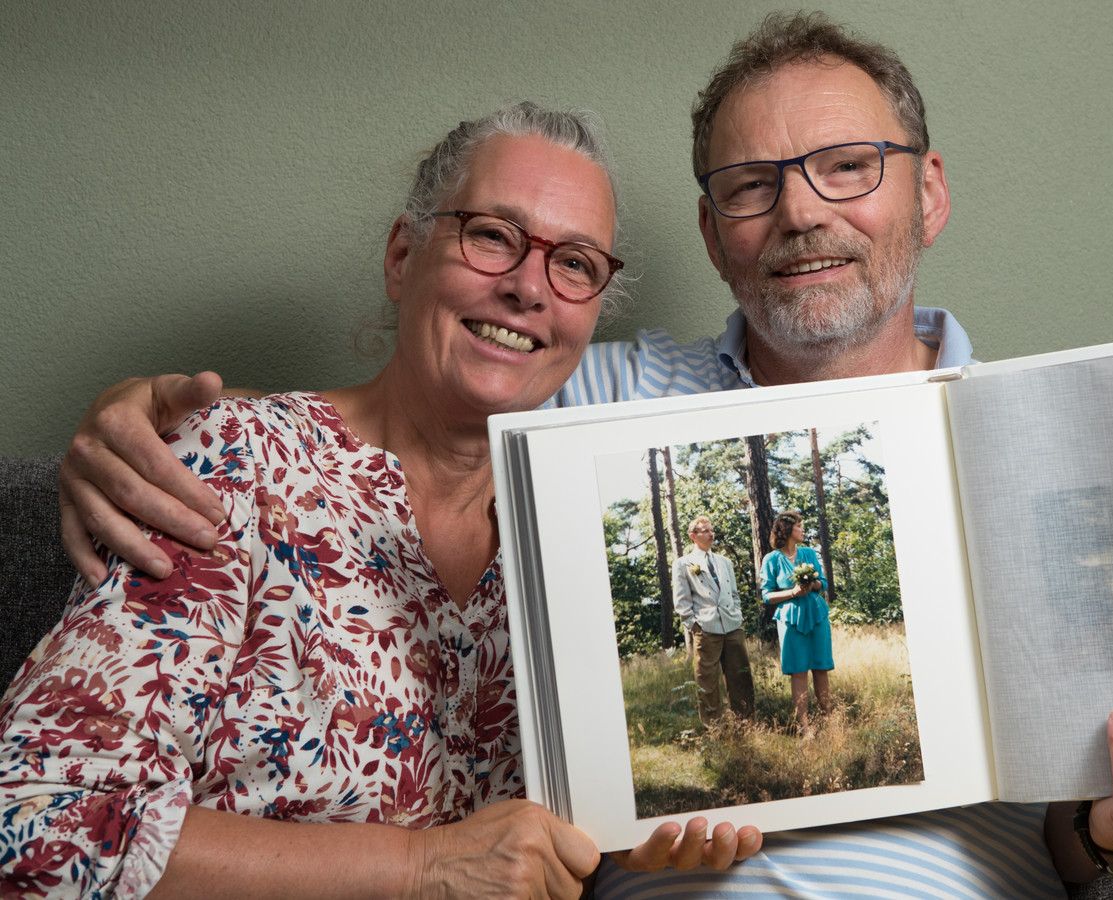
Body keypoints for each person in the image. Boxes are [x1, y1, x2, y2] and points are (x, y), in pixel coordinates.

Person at [53, 12, 1113, 900]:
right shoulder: (607, 395)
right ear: (711, 228)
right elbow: (421, 407)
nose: (801, 212)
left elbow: (1075, 844)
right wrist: (152, 423)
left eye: (847, 168)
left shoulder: (1041, 446)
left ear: (928, 193)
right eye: (753, 185)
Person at [0, 101, 762, 898]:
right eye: (493, 235)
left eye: (574, 263)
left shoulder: (567, 527)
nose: (528, 288)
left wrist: (634, 829)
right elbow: (33, 823)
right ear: (403, 256)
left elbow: (538, 848)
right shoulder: (238, 463)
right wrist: (420, 869)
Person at [672, 515, 753, 724]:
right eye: (705, 531)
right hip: (706, 629)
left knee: (740, 676)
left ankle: (745, 722)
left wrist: (738, 615)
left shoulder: (724, 562)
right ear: (693, 536)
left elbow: (734, 594)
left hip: (732, 625)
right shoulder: (683, 564)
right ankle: (713, 726)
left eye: (711, 530)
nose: (711, 534)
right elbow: (681, 601)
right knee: (707, 679)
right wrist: (694, 625)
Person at [760, 511, 832, 735]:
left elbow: (824, 582)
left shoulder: (809, 553)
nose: (803, 530)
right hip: (791, 618)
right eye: (799, 526)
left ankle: (829, 719)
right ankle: (805, 727)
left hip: (816, 614)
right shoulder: (771, 559)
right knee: (799, 671)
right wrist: (792, 592)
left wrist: (814, 585)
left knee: (821, 667)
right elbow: (767, 595)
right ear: (787, 530)